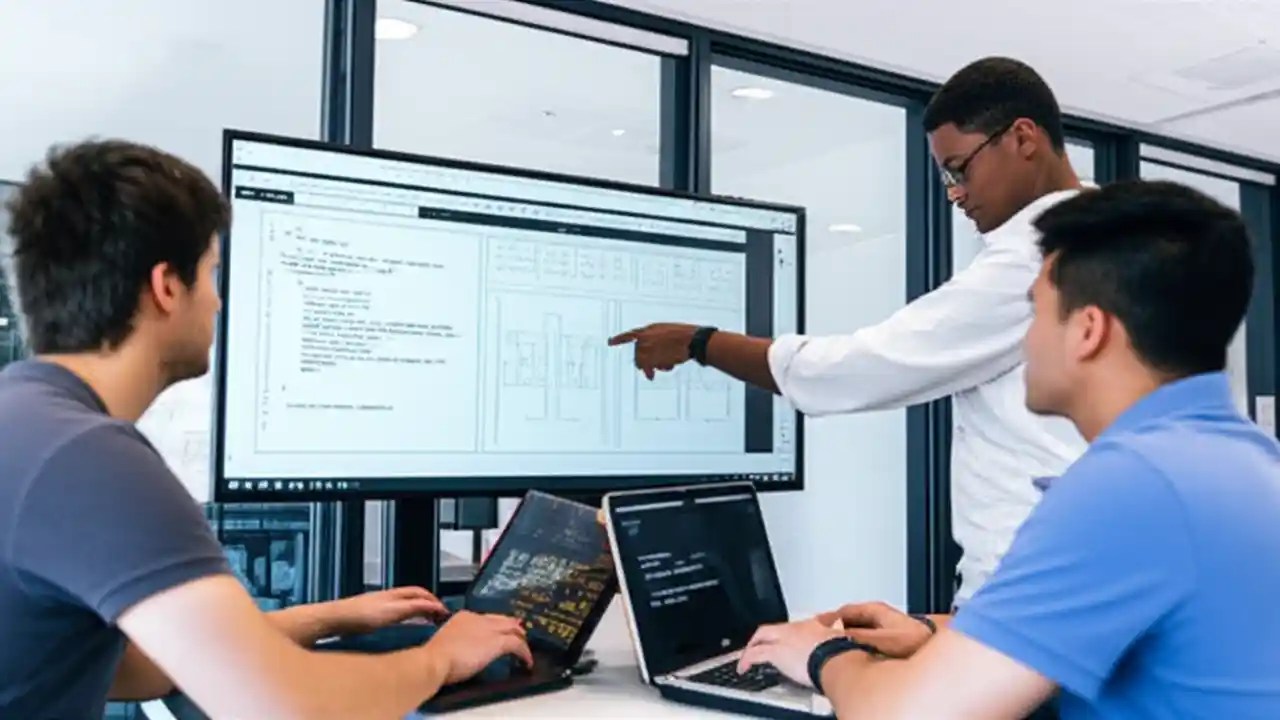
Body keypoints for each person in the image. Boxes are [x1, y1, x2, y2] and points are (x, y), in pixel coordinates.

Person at [0, 140, 532, 719]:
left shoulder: (28, 421)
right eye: (210, 274)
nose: (219, 302)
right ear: (166, 287)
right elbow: (281, 707)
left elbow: (124, 667)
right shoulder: (87, 458)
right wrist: (444, 658)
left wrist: (328, 617)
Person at [731, 179, 1280, 718]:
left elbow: (907, 715)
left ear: (1088, 331)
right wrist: (932, 631)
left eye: (1036, 312)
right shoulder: (1250, 461)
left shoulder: (1130, 488)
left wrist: (820, 652)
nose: (1024, 340)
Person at [609, 56, 1088, 627]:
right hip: (1061, 584)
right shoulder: (1109, 234)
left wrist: (701, 342)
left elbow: (861, 368)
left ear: (1023, 137)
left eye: (960, 169)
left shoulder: (1037, 257)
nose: (955, 195)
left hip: (1031, 601)